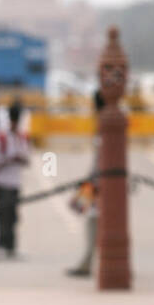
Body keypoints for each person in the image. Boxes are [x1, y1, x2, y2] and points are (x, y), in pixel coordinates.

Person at [66, 89, 105, 277]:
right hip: (100, 181)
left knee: (93, 222)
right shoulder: (106, 121)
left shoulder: (105, 123)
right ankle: (89, 261)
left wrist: (94, 179)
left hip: (102, 184)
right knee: (96, 222)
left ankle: (87, 263)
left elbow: (103, 158)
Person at [0, 100, 30, 257]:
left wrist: (19, 159)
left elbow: (27, 159)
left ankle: (11, 246)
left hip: (15, 182)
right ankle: (1, 245)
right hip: (2, 182)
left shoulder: (21, 137)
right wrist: (9, 160)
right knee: (3, 215)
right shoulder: (2, 137)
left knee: (13, 216)